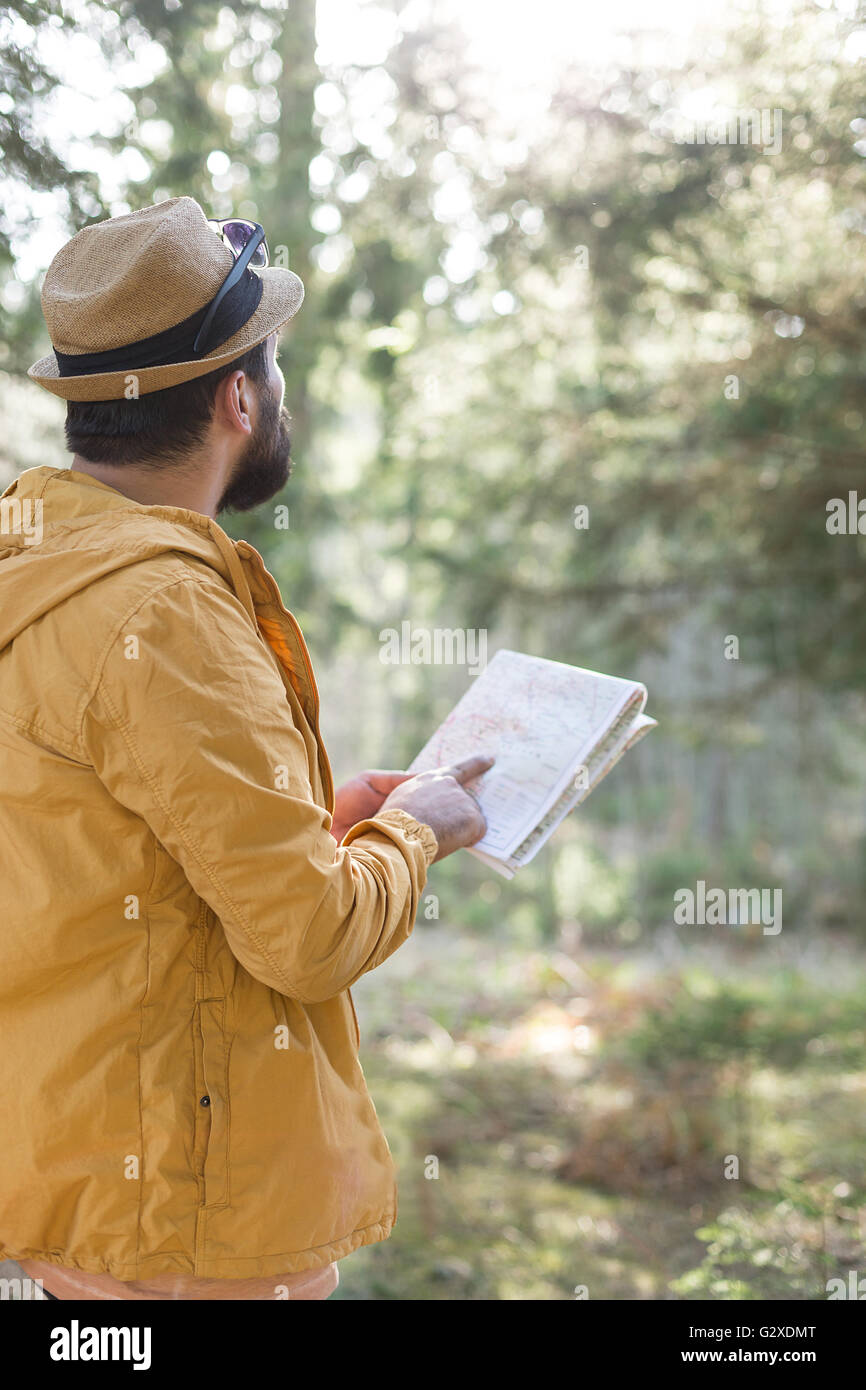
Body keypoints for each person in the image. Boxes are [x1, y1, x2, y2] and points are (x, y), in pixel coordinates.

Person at [0, 197, 492, 1300]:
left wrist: (328, 817)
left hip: (70, 1178)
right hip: (186, 1214)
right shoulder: (164, 612)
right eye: (273, 369)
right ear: (238, 396)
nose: (281, 397)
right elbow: (309, 940)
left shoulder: (31, 562)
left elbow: (106, 848)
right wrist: (416, 830)